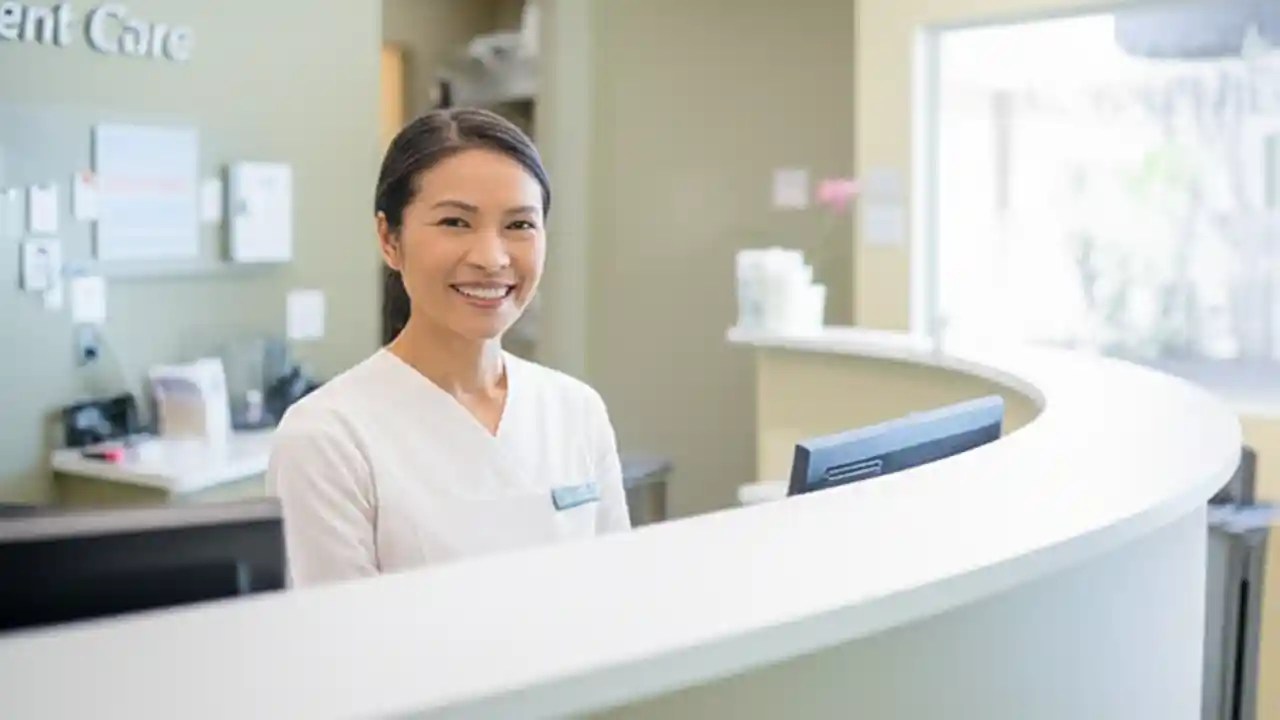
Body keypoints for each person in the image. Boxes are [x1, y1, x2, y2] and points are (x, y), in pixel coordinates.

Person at [265, 108, 631, 587]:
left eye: (519, 225)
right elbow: (337, 645)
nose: (491, 258)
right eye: (456, 222)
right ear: (389, 239)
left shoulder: (576, 411)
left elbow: (616, 595)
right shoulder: (326, 437)